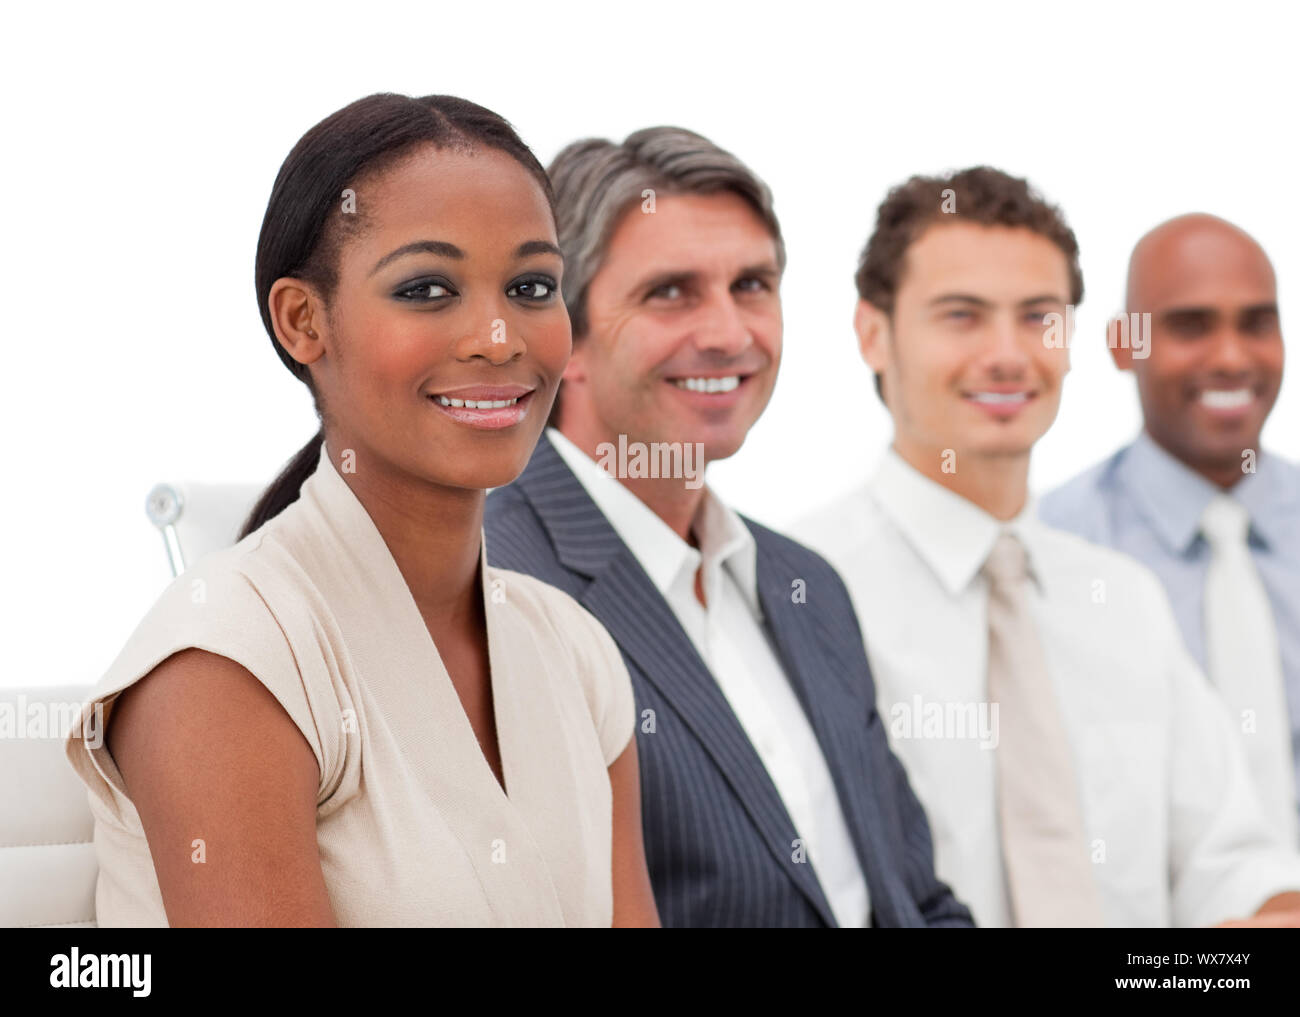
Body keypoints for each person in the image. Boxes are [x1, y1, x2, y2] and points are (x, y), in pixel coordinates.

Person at [63, 93, 660, 928]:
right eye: (427, 288)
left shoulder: (577, 652)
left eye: (531, 285)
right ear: (303, 321)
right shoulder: (229, 659)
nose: (498, 336)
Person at [484, 126, 972, 927]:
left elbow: (915, 899)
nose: (729, 332)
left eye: (752, 284)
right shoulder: (497, 584)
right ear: (562, 336)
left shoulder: (805, 585)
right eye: (670, 291)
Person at [791, 166, 1300, 927]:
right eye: (962, 315)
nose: (1008, 354)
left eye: (1038, 316)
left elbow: (1236, 878)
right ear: (873, 332)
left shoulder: (1121, 599)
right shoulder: (799, 590)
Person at [1040, 214, 1299, 845]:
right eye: (1191, 326)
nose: (1233, 357)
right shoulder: (1052, 548)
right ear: (1123, 343)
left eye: (1258, 323)